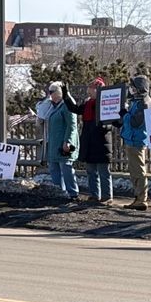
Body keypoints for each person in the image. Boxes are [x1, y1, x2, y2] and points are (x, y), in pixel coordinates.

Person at [63, 77, 111, 206]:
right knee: (91, 171)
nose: (88, 91)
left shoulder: (106, 103)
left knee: (103, 171)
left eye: (91, 89)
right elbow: (74, 109)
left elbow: (110, 123)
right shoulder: (87, 103)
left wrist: (104, 126)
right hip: (89, 142)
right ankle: (94, 195)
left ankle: (107, 196)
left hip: (101, 143)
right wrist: (66, 95)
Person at [117, 75, 151, 210]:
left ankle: (141, 198)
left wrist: (124, 114)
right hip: (133, 139)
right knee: (135, 170)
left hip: (137, 140)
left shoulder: (144, 103)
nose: (131, 89)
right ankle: (138, 197)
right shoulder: (138, 101)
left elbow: (135, 122)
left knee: (138, 170)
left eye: (133, 87)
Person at [44, 81, 80, 201]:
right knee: (54, 168)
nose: (49, 94)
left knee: (66, 168)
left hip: (64, 143)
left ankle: (73, 193)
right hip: (54, 143)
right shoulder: (52, 106)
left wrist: (68, 141)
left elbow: (72, 125)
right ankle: (59, 192)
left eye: (52, 92)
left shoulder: (67, 104)